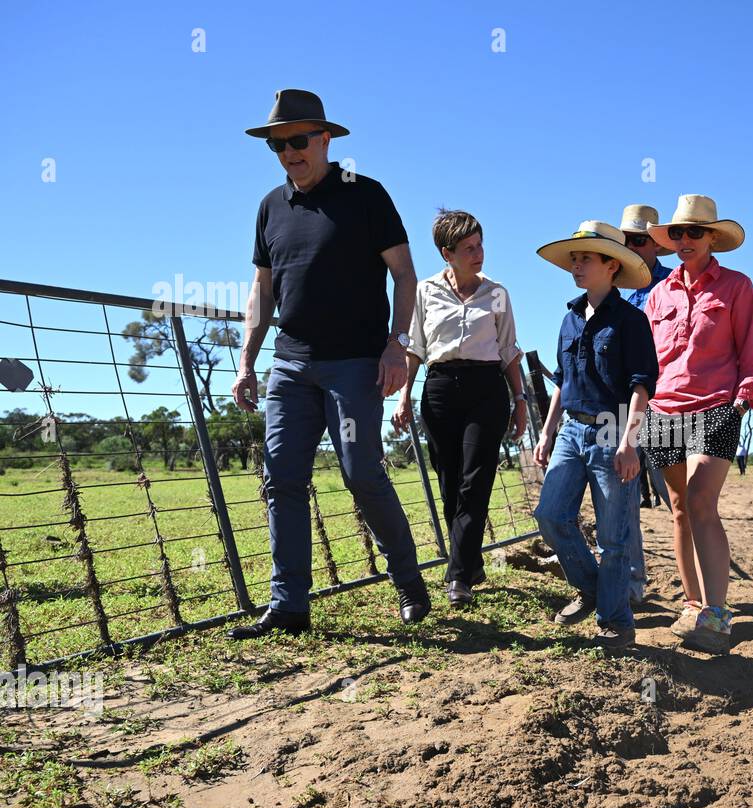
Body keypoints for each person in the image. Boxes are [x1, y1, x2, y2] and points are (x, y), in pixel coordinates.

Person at [229, 89, 429, 639]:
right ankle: (289, 605)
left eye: (297, 140)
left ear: (324, 138)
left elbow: (405, 275)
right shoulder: (270, 206)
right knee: (281, 480)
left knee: (361, 472)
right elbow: (261, 289)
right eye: (278, 144)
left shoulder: (365, 195)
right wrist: (248, 360)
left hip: (355, 363)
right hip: (290, 365)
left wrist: (396, 344)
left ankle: (410, 585)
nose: (288, 152)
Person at [642, 195, 753, 654]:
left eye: (694, 232)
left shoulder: (736, 286)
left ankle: (717, 614)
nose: (684, 240)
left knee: (700, 500)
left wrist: (743, 397)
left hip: (716, 406)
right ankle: (692, 604)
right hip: (663, 409)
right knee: (677, 506)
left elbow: (749, 346)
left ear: (713, 238)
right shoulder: (658, 295)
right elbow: (650, 361)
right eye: (677, 233)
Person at [391, 210, 528, 607]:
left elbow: (508, 350)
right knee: (450, 482)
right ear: (446, 253)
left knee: (476, 479)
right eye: (469, 248)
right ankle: (471, 562)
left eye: (480, 244)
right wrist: (403, 396)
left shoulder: (497, 292)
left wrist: (519, 400)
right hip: (439, 389)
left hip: (487, 389)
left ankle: (457, 577)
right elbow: (415, 348)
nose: (479, 253)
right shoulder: (424, 291)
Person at [531, 221, 656, 649]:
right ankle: (591, 588)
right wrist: (547, 433)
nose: (576, 266)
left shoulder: (631, 321)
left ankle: (616, 622)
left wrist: (629, 442)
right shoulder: (568, 318)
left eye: (585, 258)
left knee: (614, 537)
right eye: (574, 259)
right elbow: (562, 383)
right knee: (550, 515)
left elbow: (642, 386)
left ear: (611, 265)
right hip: (570, 430)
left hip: (613, 430)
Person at [617, 205, 672, 601]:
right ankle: (634, 583)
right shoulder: (614, 296)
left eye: (638, 241)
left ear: (656, 244)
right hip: (626, 406)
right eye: (625, 243)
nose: (631, 248)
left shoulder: (674, 286)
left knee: (681, 497)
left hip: (669, 403)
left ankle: (703, 587)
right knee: (625, 495)